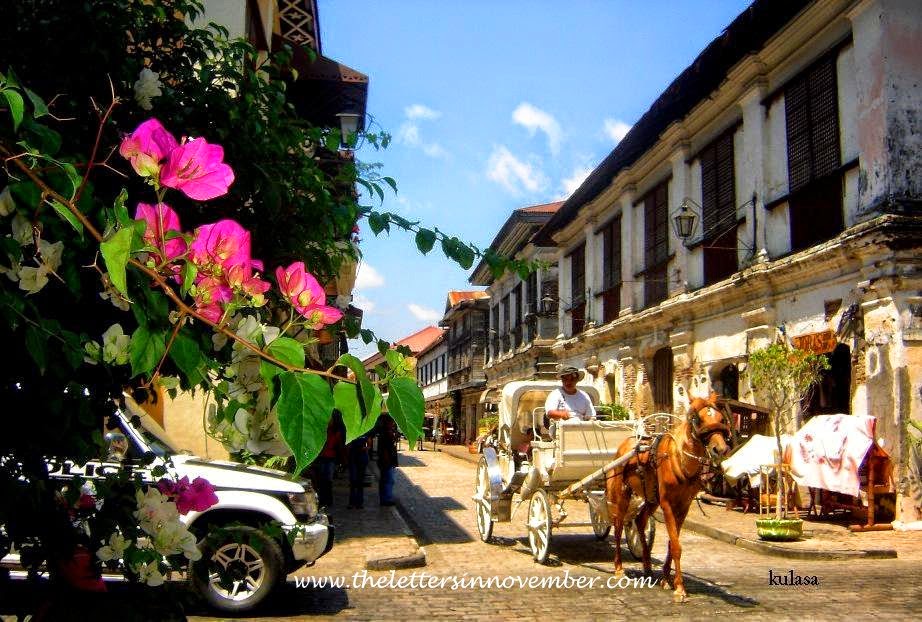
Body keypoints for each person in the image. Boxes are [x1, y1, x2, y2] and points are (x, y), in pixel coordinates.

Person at [544, 366, 596, 432]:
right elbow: (549, 413)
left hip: (581, 429)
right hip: (560, 430)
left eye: (572, 379)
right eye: (565, 379)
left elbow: (591, 416)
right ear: (562, 380)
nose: (568, 382)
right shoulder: (555, 394)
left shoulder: (584, 396)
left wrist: (590, 422)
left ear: (577, 380)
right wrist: (561, 414)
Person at [376, 415, 399, 506]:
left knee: (385, 480)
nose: (393, 424)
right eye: (392, 422)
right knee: (389, 480)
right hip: (387, 461)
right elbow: (386, 449)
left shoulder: (386, 433)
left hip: (387, 460)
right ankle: (387, 499)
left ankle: (384, 498)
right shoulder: (385, 434)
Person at [346, 433, 371, 509]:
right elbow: (348, 444)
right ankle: (352, 502)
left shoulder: (366, 432)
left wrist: (365, 448)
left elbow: (369, 444)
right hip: (353, 458)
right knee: (353, 480)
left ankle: (359, 502)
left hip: (362, 458)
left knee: (360, 481)